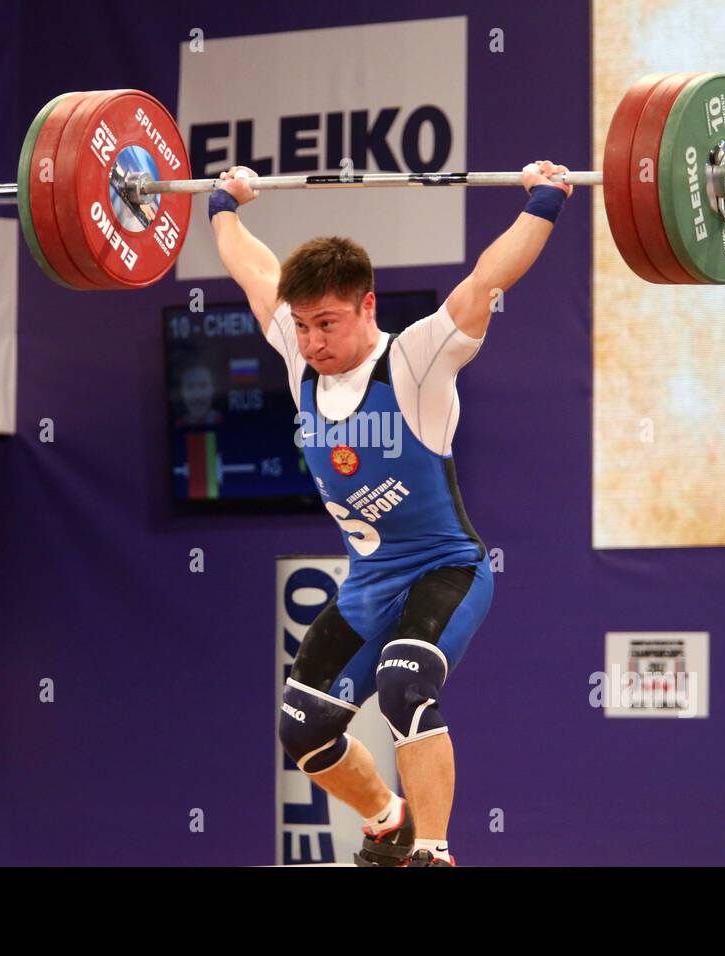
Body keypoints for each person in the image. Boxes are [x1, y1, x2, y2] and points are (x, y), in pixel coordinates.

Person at [211, 161, 572, 866]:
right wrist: (225, 204)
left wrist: (546, 199)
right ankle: (387, 821)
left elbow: (485, 283)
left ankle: (434, 853)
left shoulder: (413, 360)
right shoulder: (295, 350)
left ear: (368, 307)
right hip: (369, 586)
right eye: (304, 325)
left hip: (448, 572)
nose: (312, 341)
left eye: (328, 323)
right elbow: (253, 271)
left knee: (402, 685)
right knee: (303, 730)